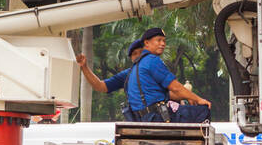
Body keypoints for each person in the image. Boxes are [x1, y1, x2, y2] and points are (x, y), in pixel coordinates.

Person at [77, 27, 211, 123]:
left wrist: (189, 96)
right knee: (203, 110)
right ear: (147, 43)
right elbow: (175, 88)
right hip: (157, 118)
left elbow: (167, 94)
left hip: (143, 118)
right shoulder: (151, 61)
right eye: (158, 40)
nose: (163, 44)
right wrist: (198, 99)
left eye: (164, 40)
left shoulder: (133, 72)